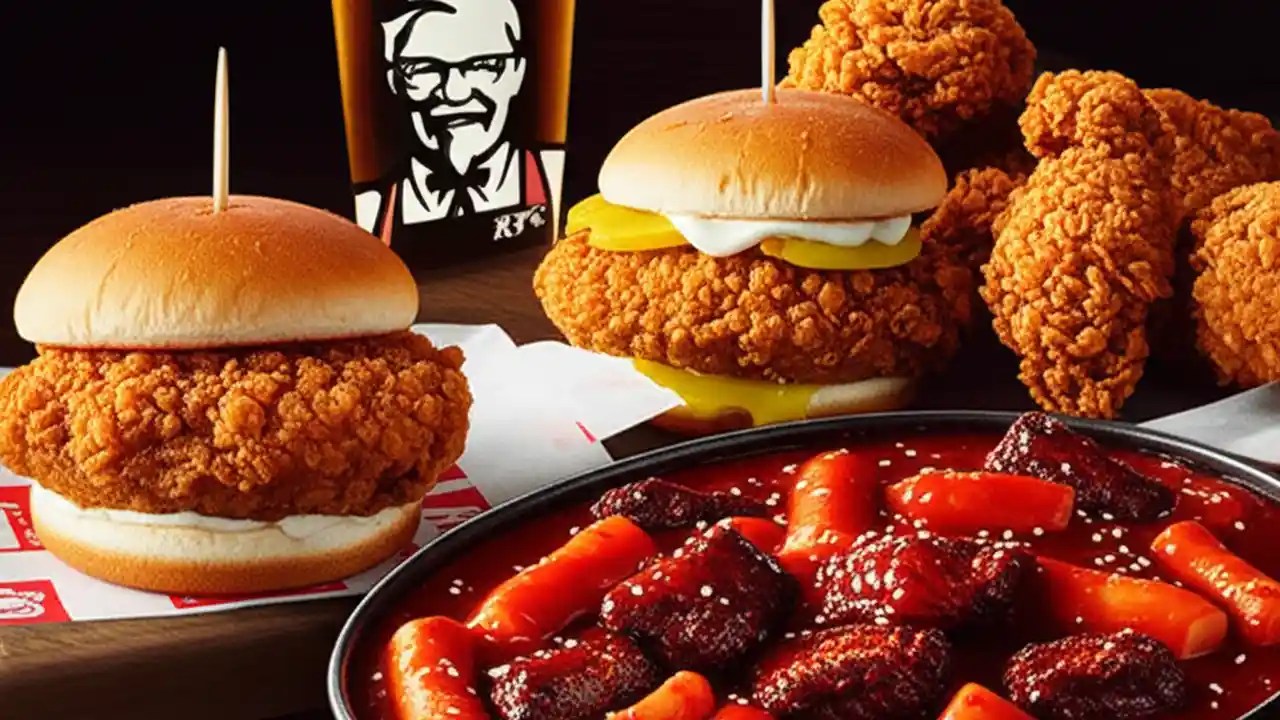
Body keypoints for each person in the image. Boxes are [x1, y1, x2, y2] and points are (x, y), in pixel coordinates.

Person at [357, 0, 549, 242]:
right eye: (424, 68)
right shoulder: (369, 208)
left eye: (483, 65)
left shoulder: (554, 177)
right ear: (395, 81)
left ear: (517, 73)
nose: (455, 93)